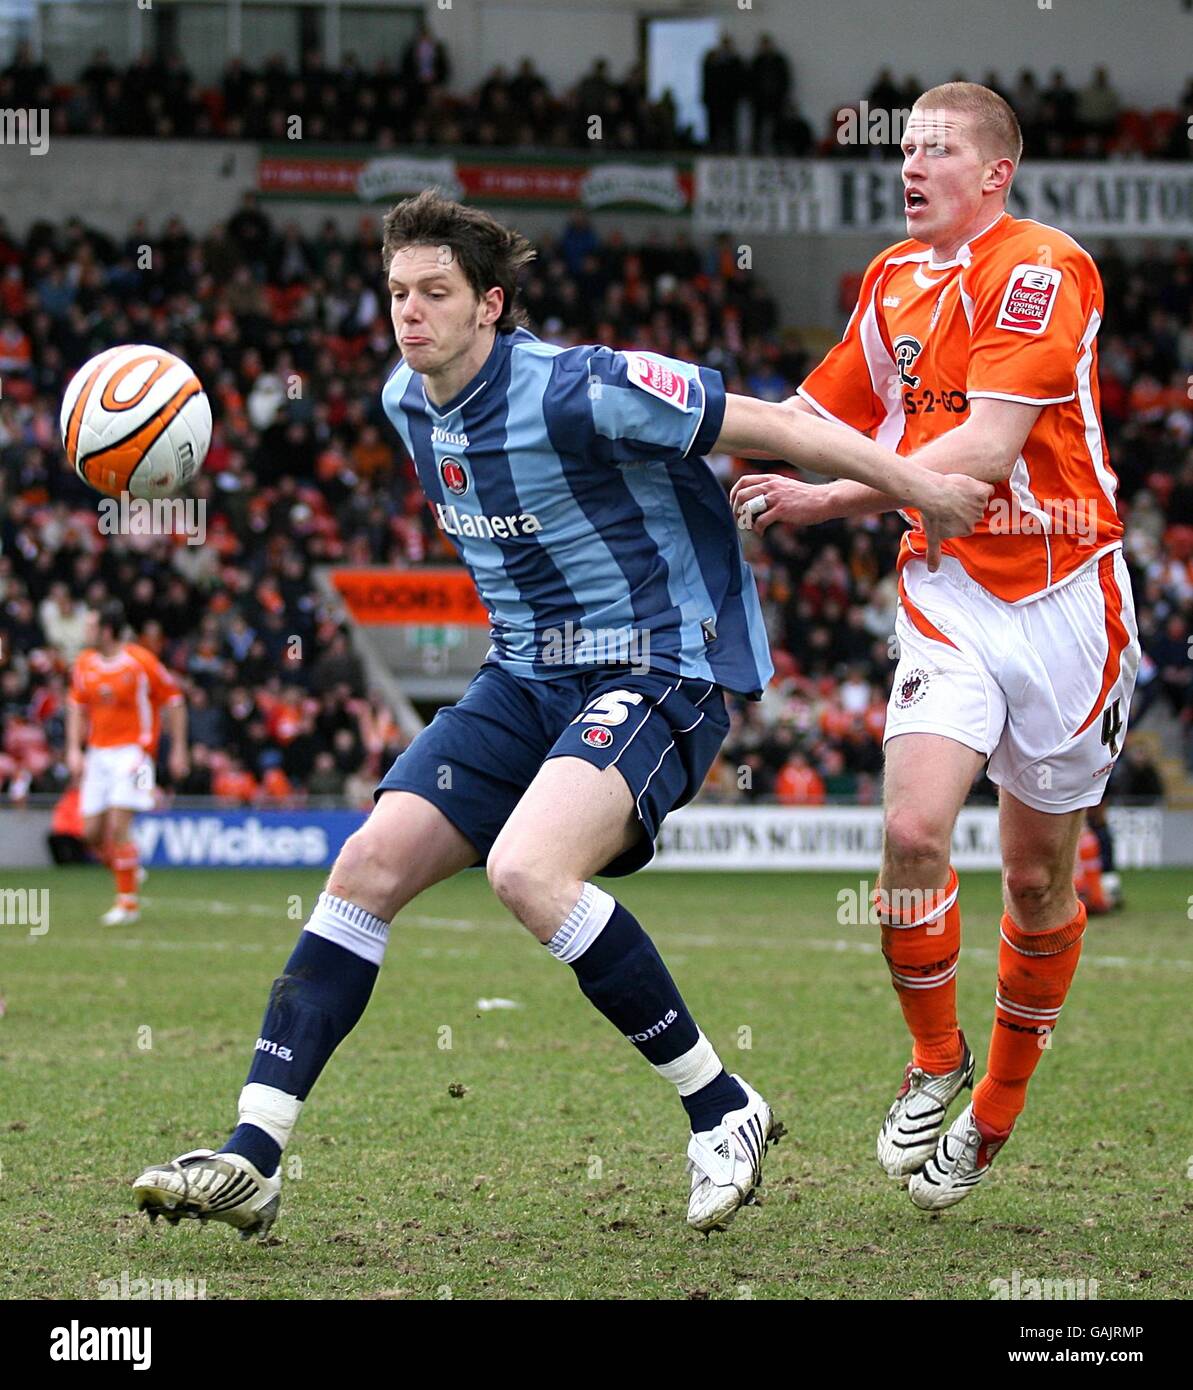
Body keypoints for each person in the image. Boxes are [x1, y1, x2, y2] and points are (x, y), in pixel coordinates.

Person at [132, 189, 987, 1239]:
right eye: (397, 292)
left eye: (435, 292)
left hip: (660, 664)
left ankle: (723, 1110)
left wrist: (918, 487)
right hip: (523, 676)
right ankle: (253, 1154)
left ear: (489, 303)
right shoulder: (407, 403)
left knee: (526, 871)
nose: (411, 312)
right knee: (363, 869)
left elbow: (768, 424)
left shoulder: (585, 385)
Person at [731, 83, 1140, 1210]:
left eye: (937, 149)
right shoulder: (890, 279)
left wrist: (815, 502)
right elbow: (807, 417)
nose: (909, 165)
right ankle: (931, 1058)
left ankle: (995, 1111)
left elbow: (983, 452)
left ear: (994, 171)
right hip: (947, 593)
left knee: (1031, 875)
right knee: (911, 828)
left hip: (1065, 597)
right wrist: (679, 425)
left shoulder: (1039, 265)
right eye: (904, 147)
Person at [65, 601, 188, 924]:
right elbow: (76, 706)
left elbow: (174, 700)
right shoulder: (84, 663)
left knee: (119, 827)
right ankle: (129, 867)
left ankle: (127, 905)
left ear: (107, 630)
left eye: (91, 625)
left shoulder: (140, 661)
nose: (86, 631)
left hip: (135, 754)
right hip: (98, 754)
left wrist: (178, 749)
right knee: (91, 833)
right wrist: (74, 750)